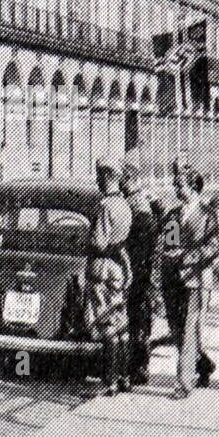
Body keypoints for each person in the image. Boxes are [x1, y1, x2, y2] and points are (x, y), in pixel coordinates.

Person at [160, 162, 219, 400]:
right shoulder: (173, 215)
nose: (176, 188)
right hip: (173, 279)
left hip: (197, 280)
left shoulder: (209, 214)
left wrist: (187, 256)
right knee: (176, 328)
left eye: (180, 185)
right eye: (176, 184)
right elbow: (169, 243)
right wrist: (170, 253)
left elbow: (214, 246)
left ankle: (183, 382)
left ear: (194, 187)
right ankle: (203, 364)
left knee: (189, 328)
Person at [86, 158, 134, 397]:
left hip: (103, 267)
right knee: (120, 323)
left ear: (106, 177)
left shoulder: (105, 205)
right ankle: (124, 376)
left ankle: (109, 381)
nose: (97, 181)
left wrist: (87, 239)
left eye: (99, 177)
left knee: (105, 322)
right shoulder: (124, 204)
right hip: (118, 267)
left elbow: (98, 241)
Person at [121, 160, 163, 385]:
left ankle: (139, 367)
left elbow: (145, 243)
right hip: (144, 271)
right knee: (140, 320)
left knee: (138, 320)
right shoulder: (146, 200)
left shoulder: (138, 206)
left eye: (122, 179)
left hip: (140, 272)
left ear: (128, 180)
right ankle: (138, 365)